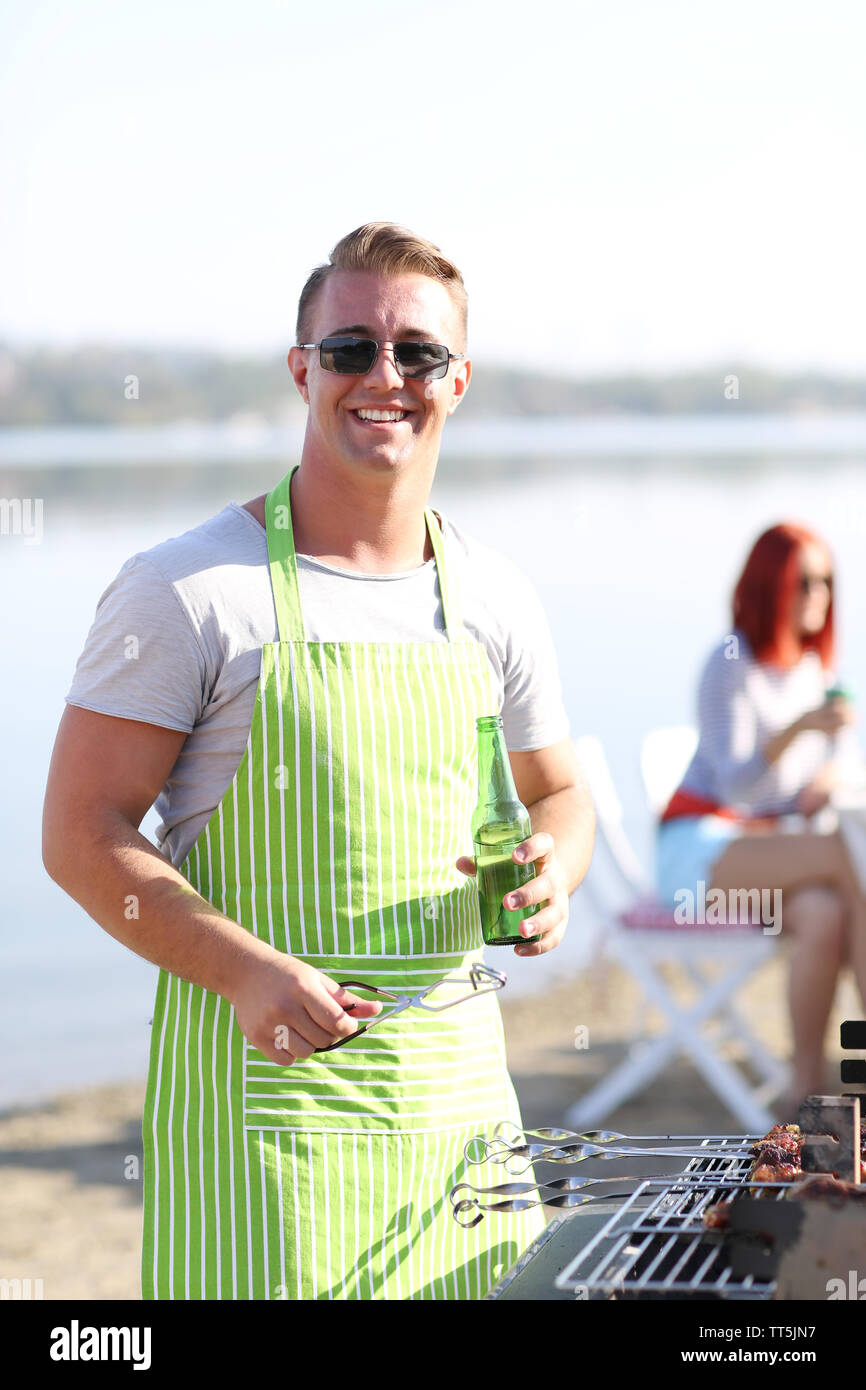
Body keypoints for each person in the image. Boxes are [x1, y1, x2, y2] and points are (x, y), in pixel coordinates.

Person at [42, 222, 595, 1300]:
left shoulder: (494, 595)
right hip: (267, 1132)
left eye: (417, 353)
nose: (383, 375)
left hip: (460, 1124)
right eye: (350, 348)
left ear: (459, 379)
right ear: (302, 369)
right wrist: (241, 968)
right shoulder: (189, 588)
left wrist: (552, 873)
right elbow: (78, 834)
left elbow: (558, 792)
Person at [656, 523, 865, 1108]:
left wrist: (828, 774)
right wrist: (801, 728)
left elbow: (820, 780)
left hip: (769, 855)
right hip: (697, 858)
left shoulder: (813, 671)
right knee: (850, 857)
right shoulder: (729, 664)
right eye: (804, 582)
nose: (818, 595)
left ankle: (808, 1090)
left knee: (825, 912)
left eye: (827, 581)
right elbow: (739, 788)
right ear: (770, 585)